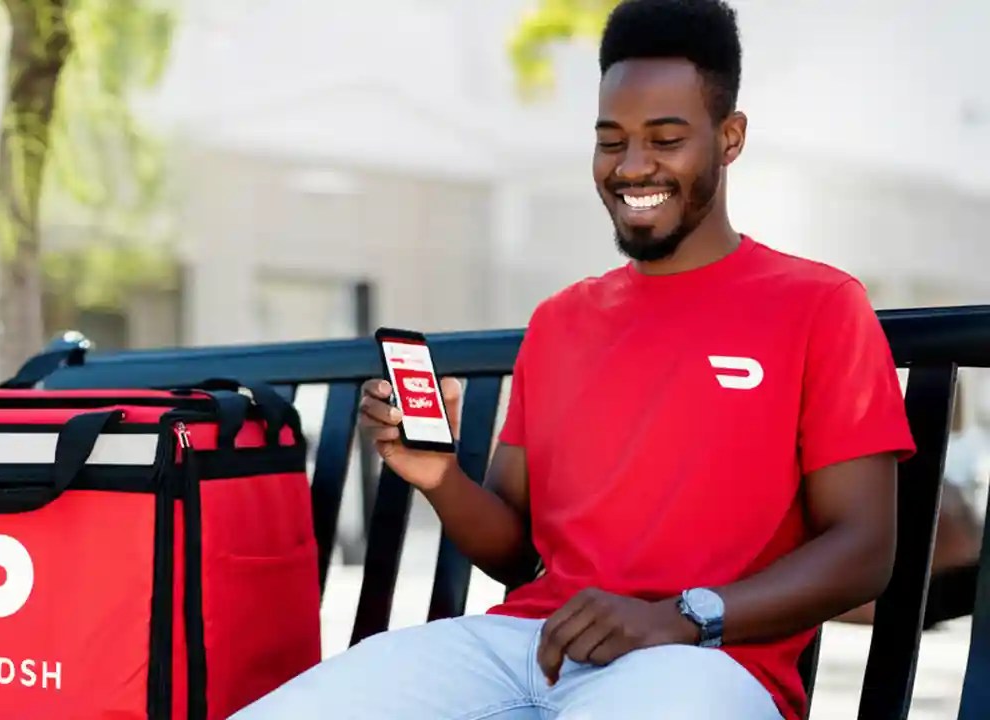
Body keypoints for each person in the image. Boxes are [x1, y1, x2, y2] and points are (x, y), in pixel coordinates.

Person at [229, 0, 915, 718]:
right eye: (611, 140)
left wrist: (681, 616)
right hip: (524, 645)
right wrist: (437, 475)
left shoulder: (819, 305)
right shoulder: (561, 321)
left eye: (666, 138)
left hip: (700, 663)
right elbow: (512, 550)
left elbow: (864, 549)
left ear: (730, 137)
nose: (633, 166)